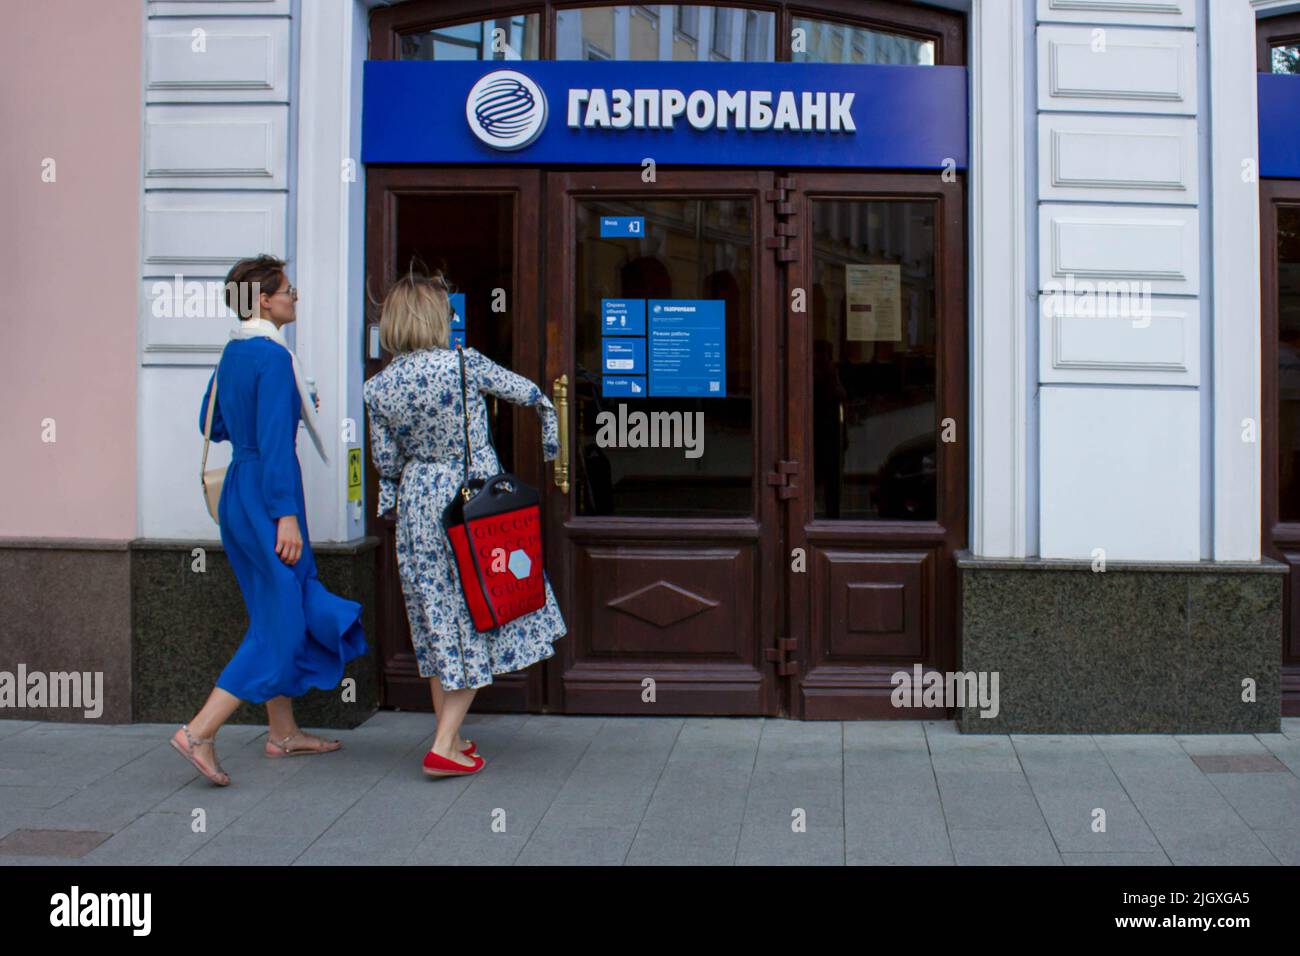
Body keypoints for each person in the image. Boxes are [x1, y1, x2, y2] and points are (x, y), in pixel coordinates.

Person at [169, 255, 368, 786]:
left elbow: (210, 425)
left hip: (239, 488)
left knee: (275, 606)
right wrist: (286, 517)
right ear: (262, 300)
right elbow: (278, 445)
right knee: (282, 617)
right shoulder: (275, 359)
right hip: (268, 496)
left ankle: (282, 733)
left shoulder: (234, 351)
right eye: (287, 290)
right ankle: (200, 732)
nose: (294, 297)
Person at [363, 269, 566, 778]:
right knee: (483, 610)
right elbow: (532, 394)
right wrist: (551, 445)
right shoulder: (463, 365)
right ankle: (444, 742)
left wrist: (396, 503)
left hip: (417, 504)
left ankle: (449, 738)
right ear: (436, 319)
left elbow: (386, 464)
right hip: (473, 502)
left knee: (437, 619)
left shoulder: (378, 387)